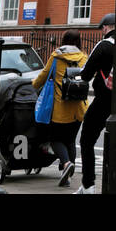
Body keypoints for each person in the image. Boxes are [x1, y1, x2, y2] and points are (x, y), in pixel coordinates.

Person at [76, 13, 116, 194]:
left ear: (107, 27)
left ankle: (88, 186)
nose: (102, 30)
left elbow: (86, 74)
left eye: (103, 27)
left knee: (87, 140)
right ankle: (114, 184)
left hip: (103, 102)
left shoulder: (102, 46)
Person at [31, 29, 87, 187]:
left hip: (60, 108)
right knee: (70, 140)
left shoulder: (56, 56)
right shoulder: (84, 58)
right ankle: (67, 175)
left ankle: (66, 164)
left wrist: (33, 84)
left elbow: (44, 75)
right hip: (79, 108)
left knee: (55, 139)